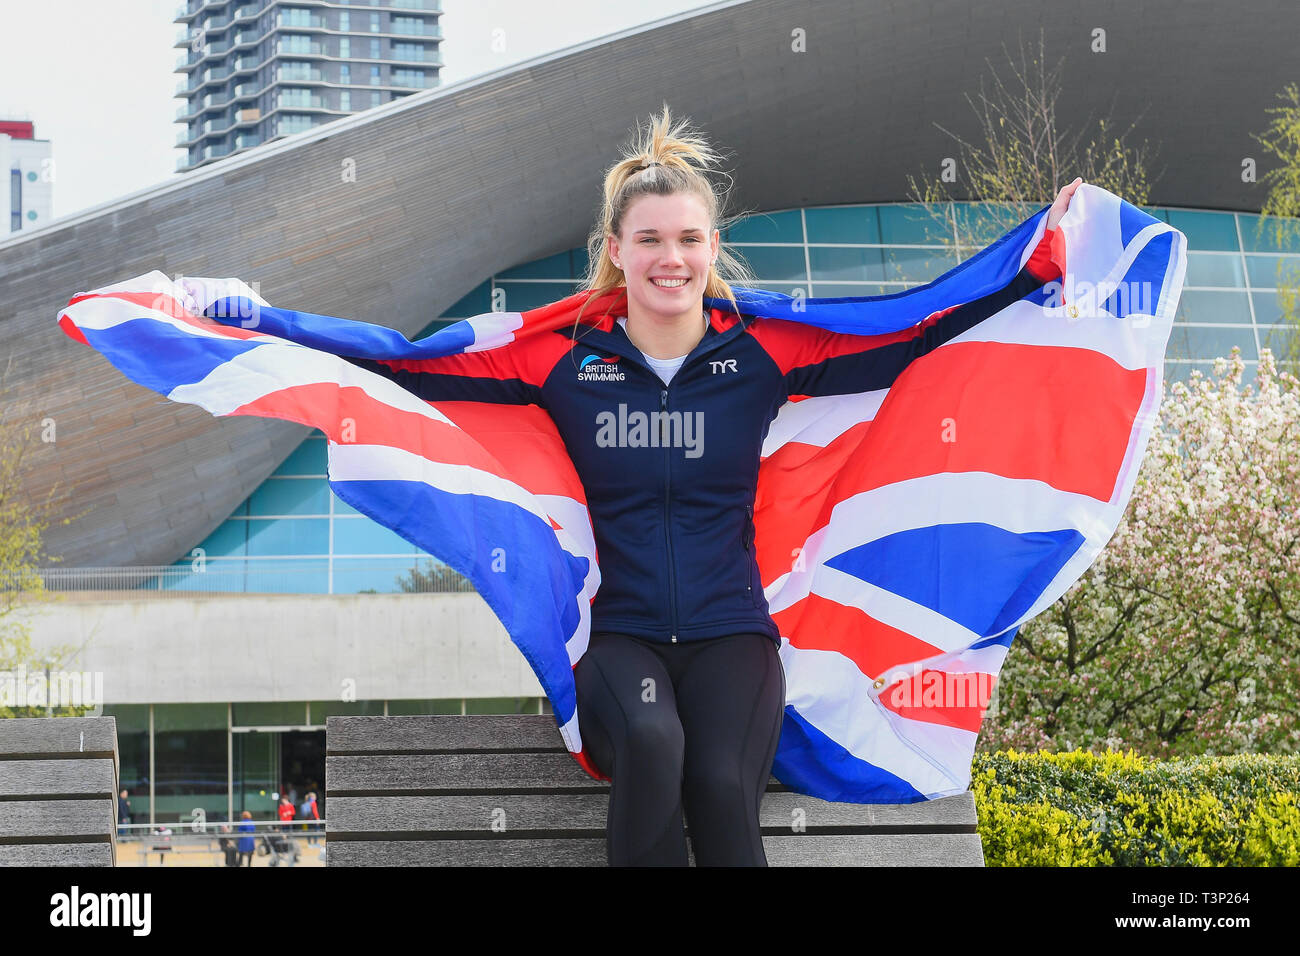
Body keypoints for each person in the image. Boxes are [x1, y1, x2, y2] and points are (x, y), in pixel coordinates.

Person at [346, 105, 1077, 865]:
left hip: (733, 638)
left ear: (713, 248)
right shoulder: (560, 360)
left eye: (690, 239)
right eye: (651, 239)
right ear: (616, 251)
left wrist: (1033, 267)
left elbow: (914, 333)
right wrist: (255, 326)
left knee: (721, 785)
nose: (672, 258)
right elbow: (405, 365)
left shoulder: (761, 351)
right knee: (654, 740)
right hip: (621, 640)